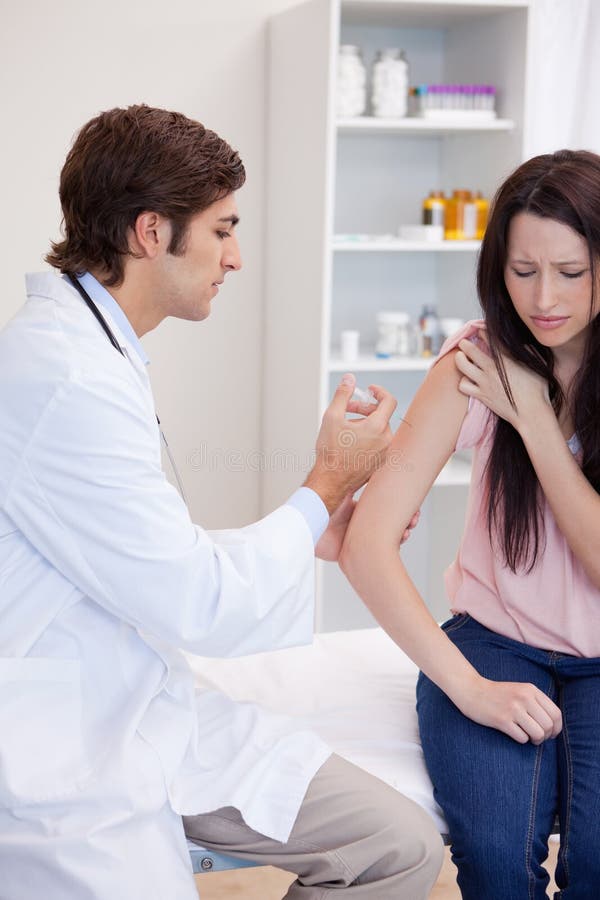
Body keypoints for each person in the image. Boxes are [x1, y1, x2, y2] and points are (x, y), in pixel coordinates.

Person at [0, 105, 443, 900]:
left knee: (397, 844)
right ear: (149, 233)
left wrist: (315, 526)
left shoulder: (92, 350)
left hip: (145, 704)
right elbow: (192, 600)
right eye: (222, 229)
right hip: (69, 745)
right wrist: (327, 482)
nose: (236, 258)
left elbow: (148, 554)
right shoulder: (68, 379)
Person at [340, 148, 600, 900]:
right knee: (492, 858)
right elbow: (366, 542)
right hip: (495, 646)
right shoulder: (473, 360)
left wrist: (540, 429)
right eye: (523, 272)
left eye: (571, 272)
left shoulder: (521, 383)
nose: (543, 297)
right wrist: (470, 688)